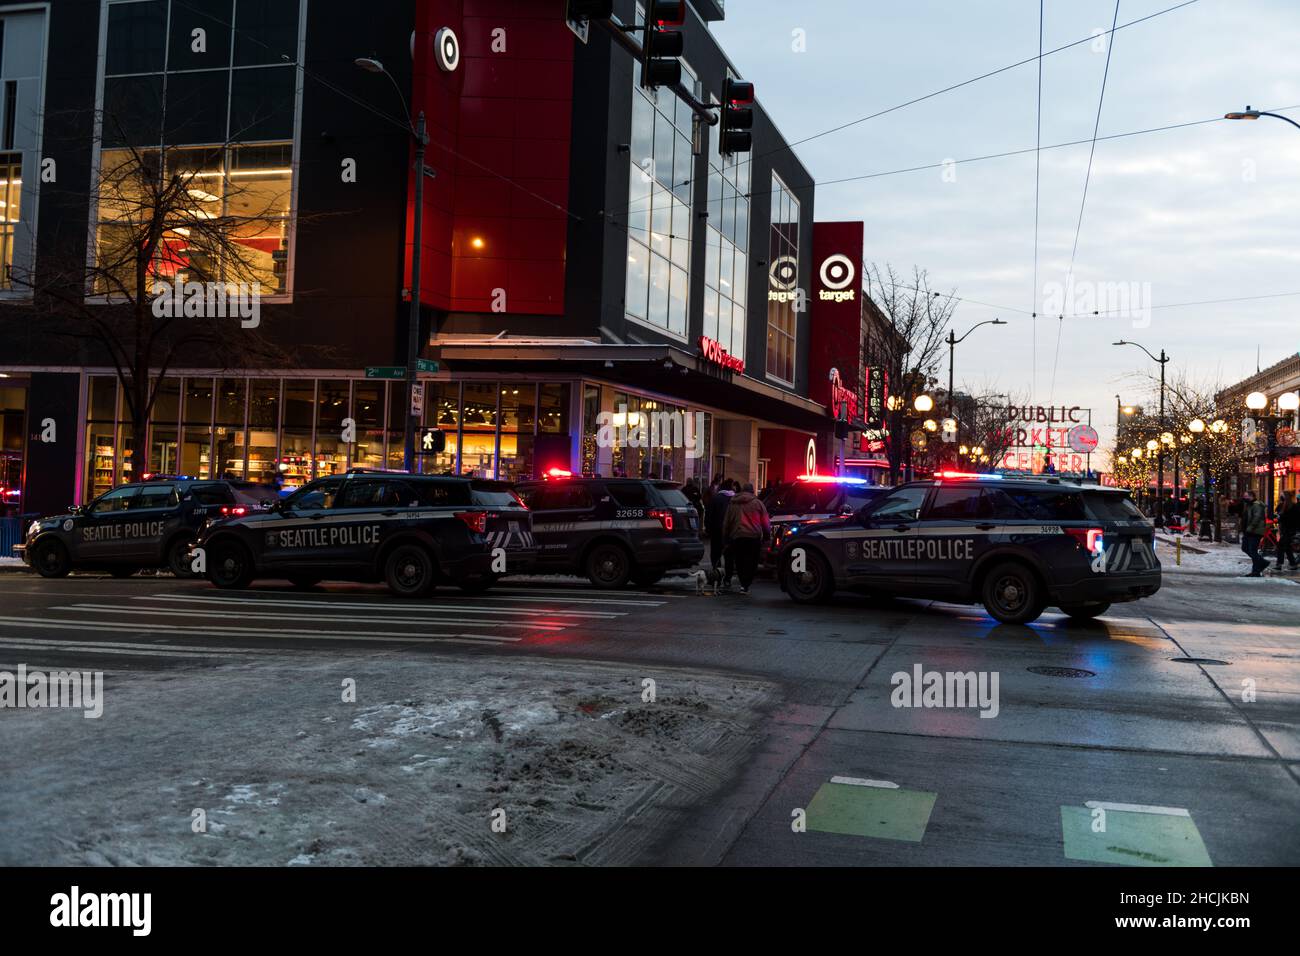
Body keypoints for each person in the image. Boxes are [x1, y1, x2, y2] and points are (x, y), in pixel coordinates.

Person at [723, 481, 772, 595]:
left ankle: (742, 583)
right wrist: (766, 536)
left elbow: (726, 522)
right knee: (752, 561)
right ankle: (746, 584)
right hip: (753, 537)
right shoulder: (758, 504)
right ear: (752, 491)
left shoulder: (733, 503)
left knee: (739, 561)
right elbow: (765, 522)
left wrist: (725, 538)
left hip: (737, 536)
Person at [704, 477, 736, 589]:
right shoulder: (734, 499)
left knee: (716, 555)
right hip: (731, 532)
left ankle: (716, 577)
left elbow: (708, 514)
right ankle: (728, 578)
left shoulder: (716, 498)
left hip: (717, 531)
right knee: (729, 557)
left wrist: (708, 528)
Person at [1240, 491, 1269, 577]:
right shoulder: (1249, 505)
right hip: (1248, 531)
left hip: (1255, 531)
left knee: (1252, 550)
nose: (1244, 498)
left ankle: (1256, 570)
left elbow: (1257, 517)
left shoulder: (1256, 505)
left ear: (1251, 496)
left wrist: (1250, 528)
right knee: (1245, 548)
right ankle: (1262, 563)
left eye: (1246, 496)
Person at [1276, 490, 1300, 572]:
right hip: (1286, 529)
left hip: (1289, 529)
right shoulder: (1285, 505)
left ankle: (1279, 564)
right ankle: (1293, 564)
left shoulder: (1293, 506)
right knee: (1287, 547)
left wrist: (1281, 517)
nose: (1280, 496)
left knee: (1281, 546)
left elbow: (1292, 519)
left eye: (1282, 495)